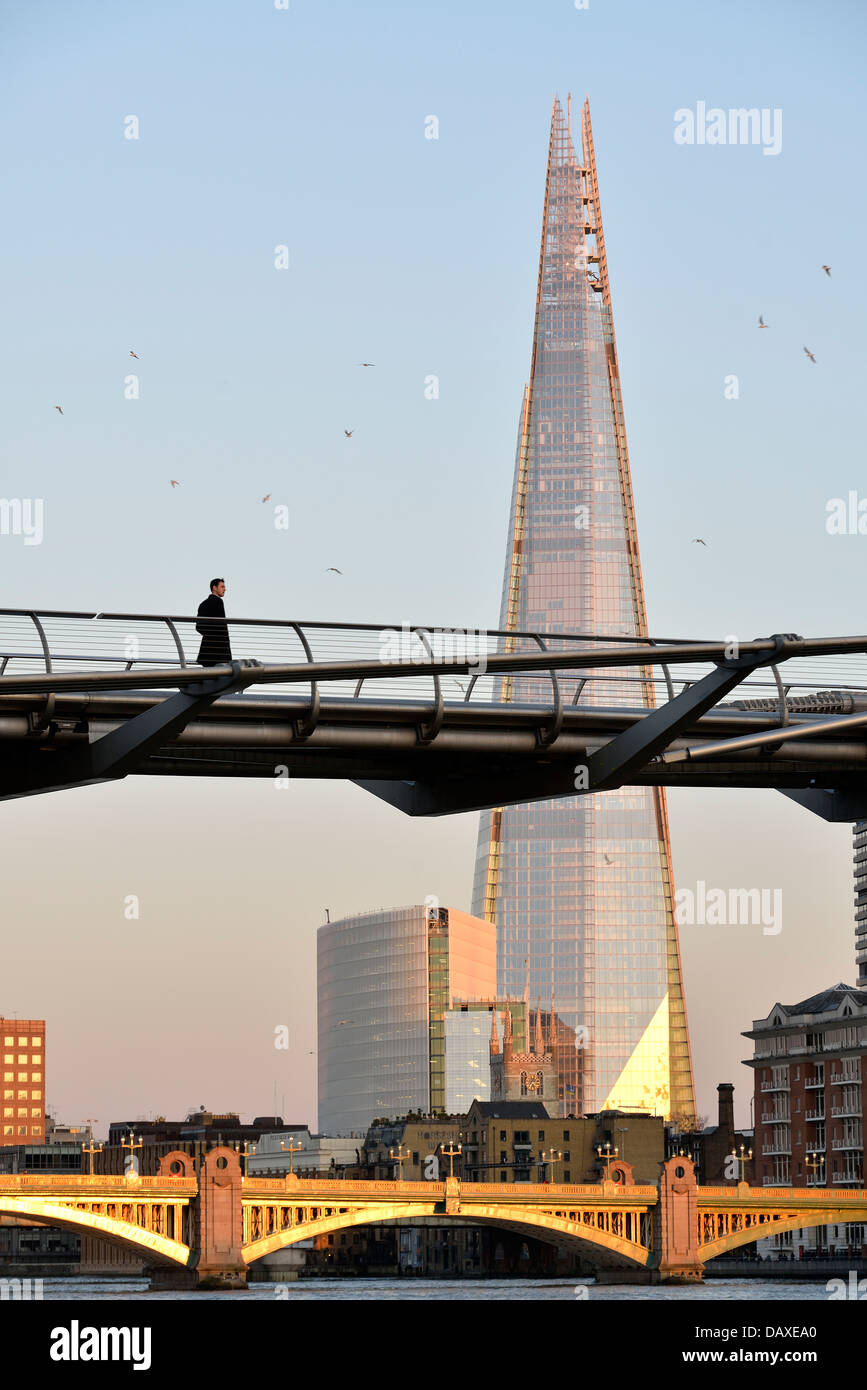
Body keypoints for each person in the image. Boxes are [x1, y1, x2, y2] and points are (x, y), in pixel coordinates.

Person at [195, 577, 232, 666]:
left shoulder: (203, 604)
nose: (225, 589)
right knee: (223, 677)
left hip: (206, 651)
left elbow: (198, 627)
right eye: (222, 587)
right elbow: (221, 628)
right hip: (219, 651)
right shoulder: (218, 601)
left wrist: (209, 636)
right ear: (214, 588)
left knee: (208, 677)